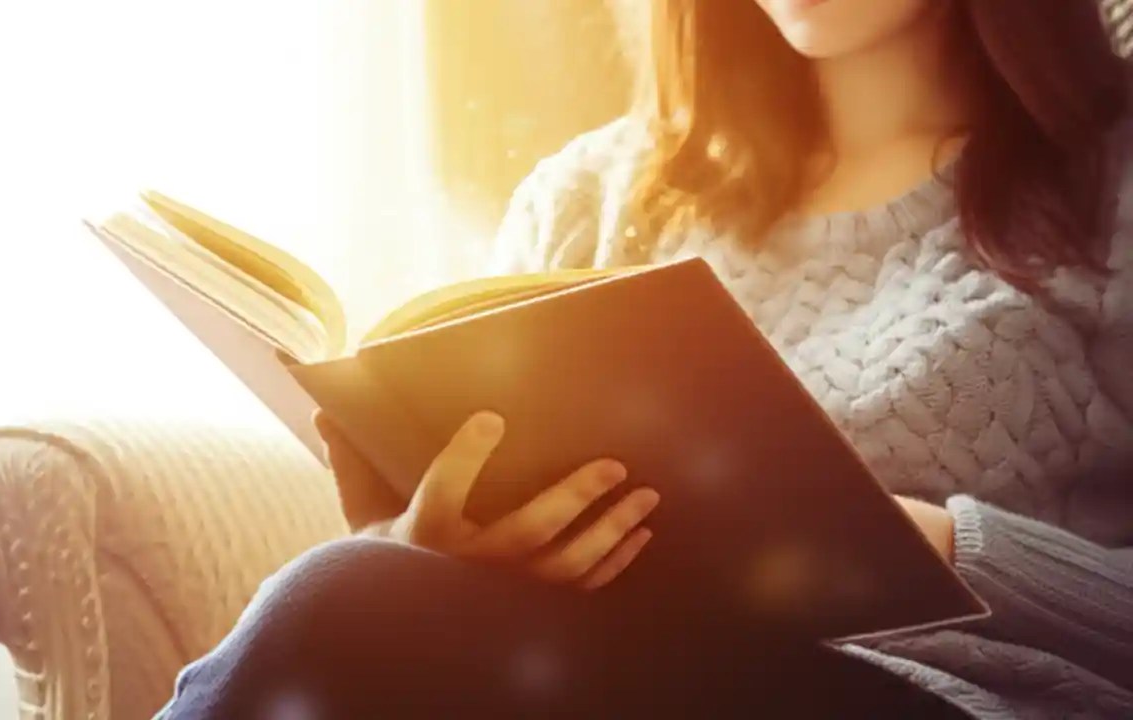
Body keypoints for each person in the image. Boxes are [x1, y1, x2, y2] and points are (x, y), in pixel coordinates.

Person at [161, 0, 1133, 717]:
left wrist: (939, 545)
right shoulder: (591, 197)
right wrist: (433, 537)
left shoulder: (1107, 179)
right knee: (352, 596)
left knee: (337, 606)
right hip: (590, 669)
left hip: (941, 698)